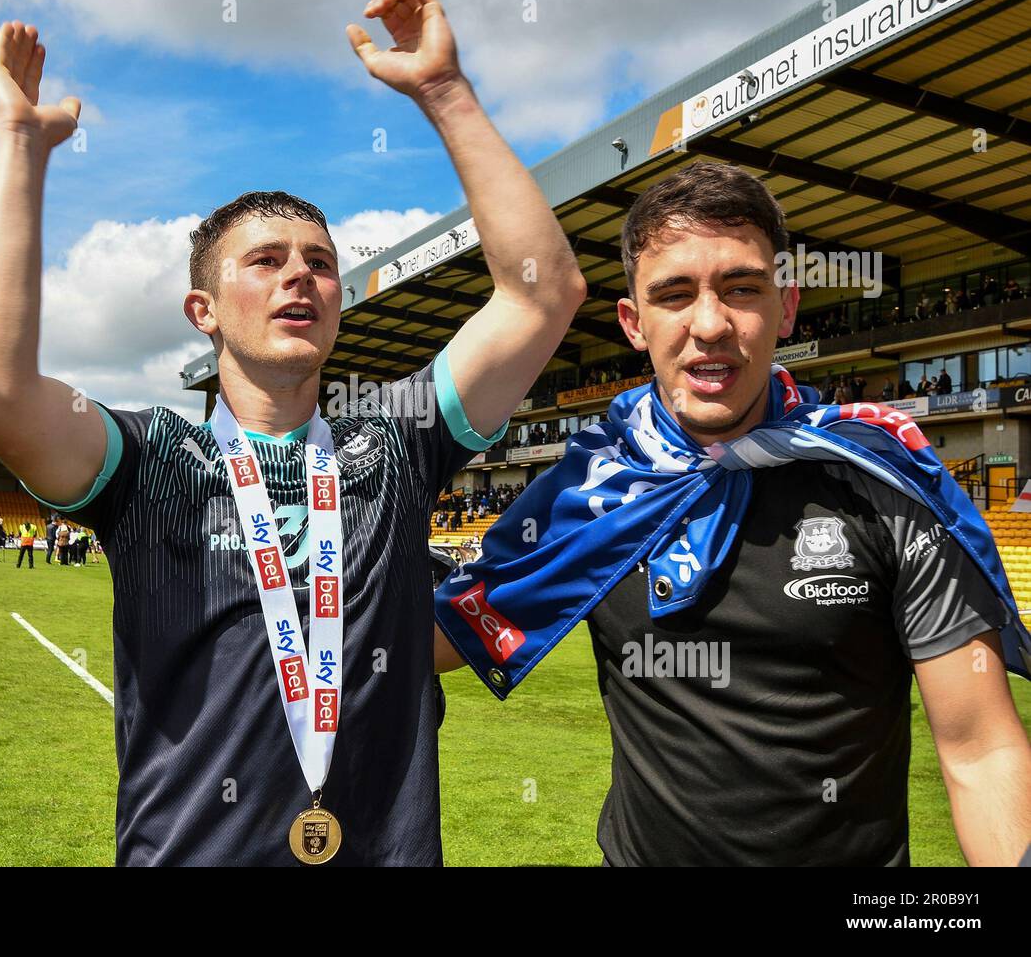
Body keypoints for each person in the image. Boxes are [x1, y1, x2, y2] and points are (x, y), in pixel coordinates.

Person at [0, 0, 586, 866]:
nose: (300, 277)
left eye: (320, 265)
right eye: (268, 261)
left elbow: (542, 293)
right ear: (202, 311)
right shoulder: (151, 457)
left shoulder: (393, 440)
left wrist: (444, 91)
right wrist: (18, 144)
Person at [434, 161, 1031, 867]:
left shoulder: (884, 478)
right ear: (634, 322)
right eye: (674, 294)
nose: (709, 324)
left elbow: (980, 749)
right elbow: (424, 642)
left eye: (742, 288)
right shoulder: (588, 493)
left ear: (786, 306)